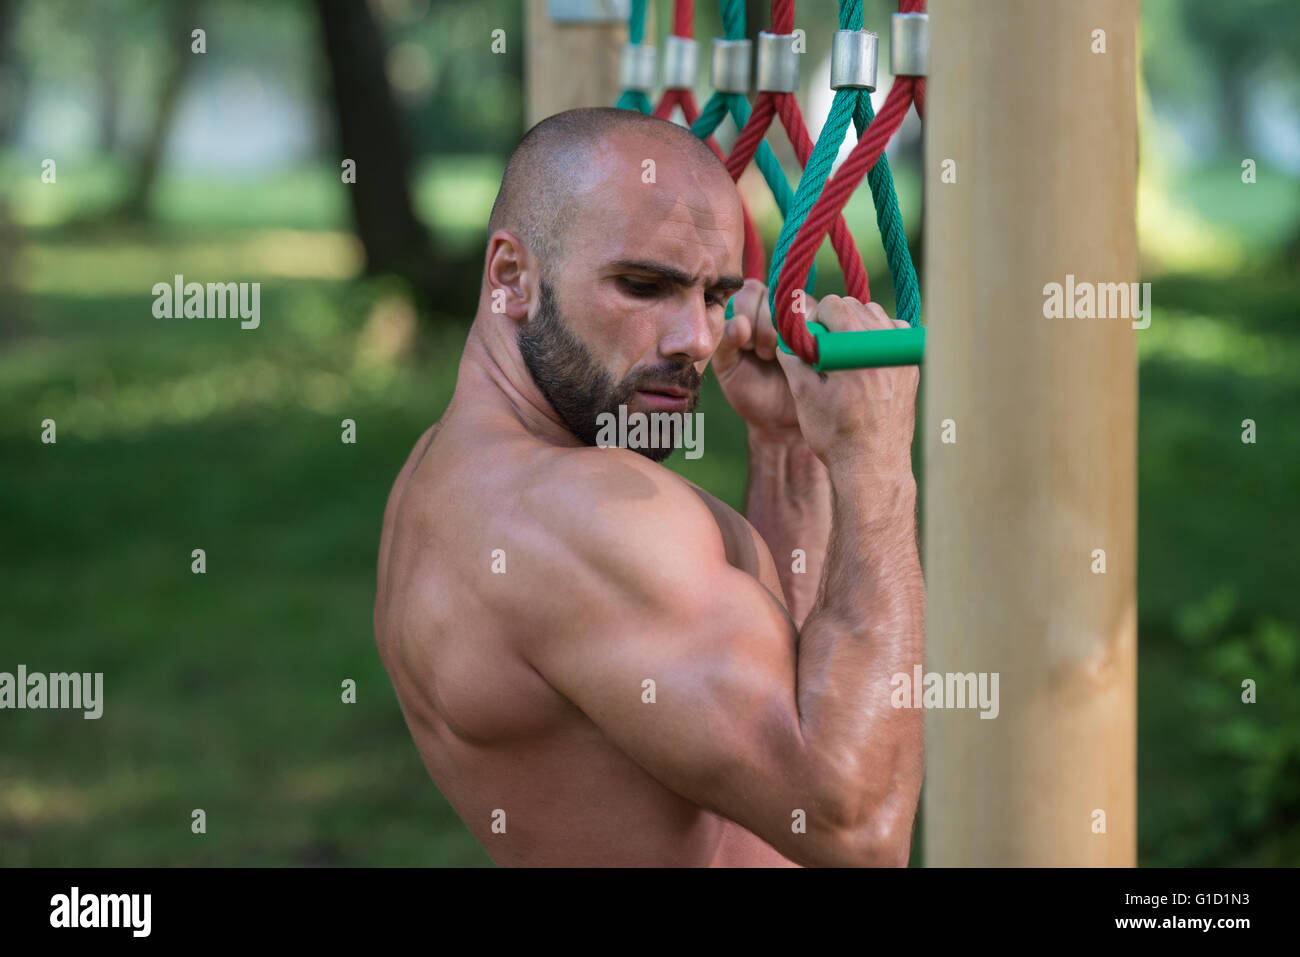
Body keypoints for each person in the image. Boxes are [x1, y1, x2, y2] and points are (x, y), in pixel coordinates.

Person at [374, 107, 924, 867]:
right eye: (643, 286)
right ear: (511, 278)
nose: (696, 339)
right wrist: (878, 464)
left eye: (711, 295)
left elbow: (776, 706)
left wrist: (786, 449)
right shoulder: (582, 517)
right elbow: (857, 828)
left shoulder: (435, 472)